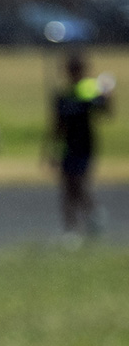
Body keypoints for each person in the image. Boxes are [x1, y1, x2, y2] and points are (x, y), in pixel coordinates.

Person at [50, 52, 112, 238]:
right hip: (68, 146)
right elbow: (57, 126)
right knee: (67, 188)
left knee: (79, 183)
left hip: (85, 145)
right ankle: (70, 229)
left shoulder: (89, 92)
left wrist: (107, 93)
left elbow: (106, 112)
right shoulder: (63, 96)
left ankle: (93, 214)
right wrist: (51, 151)